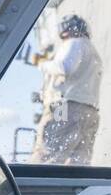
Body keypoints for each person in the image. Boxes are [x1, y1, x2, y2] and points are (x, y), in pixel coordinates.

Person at [31, 13, 103, 165]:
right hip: (90, 112)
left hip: (64, 107)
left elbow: (64, 67)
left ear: (65, 30)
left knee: (48, 155)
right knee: (79, 163)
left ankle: (38, 188)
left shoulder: (75, 43)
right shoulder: (93, 52)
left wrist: (41, 62)